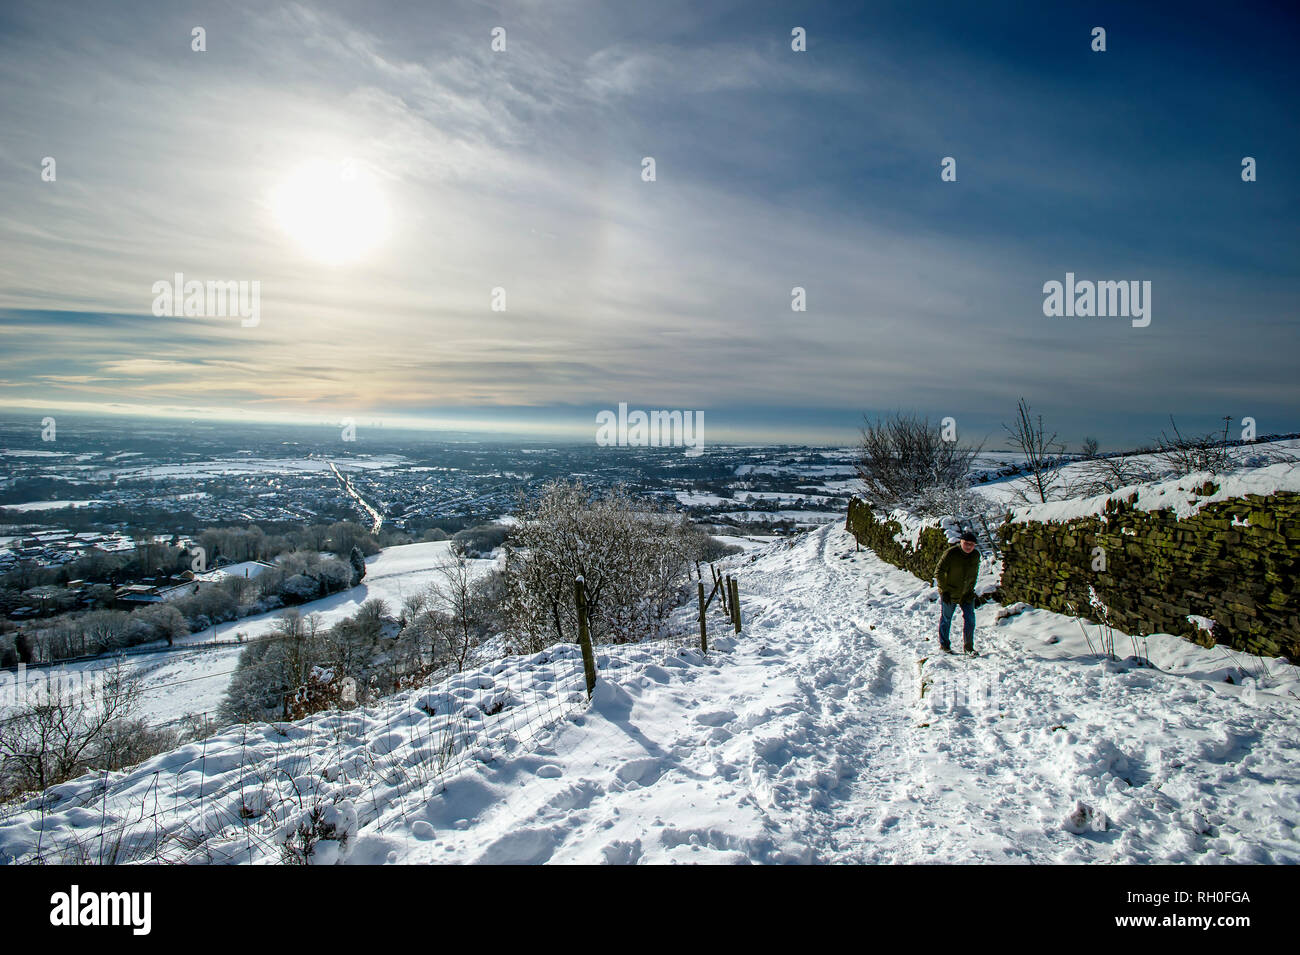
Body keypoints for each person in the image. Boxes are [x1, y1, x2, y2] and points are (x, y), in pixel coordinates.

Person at [934, 530, 980, 654]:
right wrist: (944, 591)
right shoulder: (951, 553)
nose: (969, 546)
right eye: (966, 543)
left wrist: (971, 589)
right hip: (950, 593)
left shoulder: (976, 555)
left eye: (972, 544)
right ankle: (944, 645)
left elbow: (973, 574)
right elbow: (939, 572)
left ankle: (969, 647)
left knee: (970, 619)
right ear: (961, 542)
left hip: (967, 594)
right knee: (946, 618)